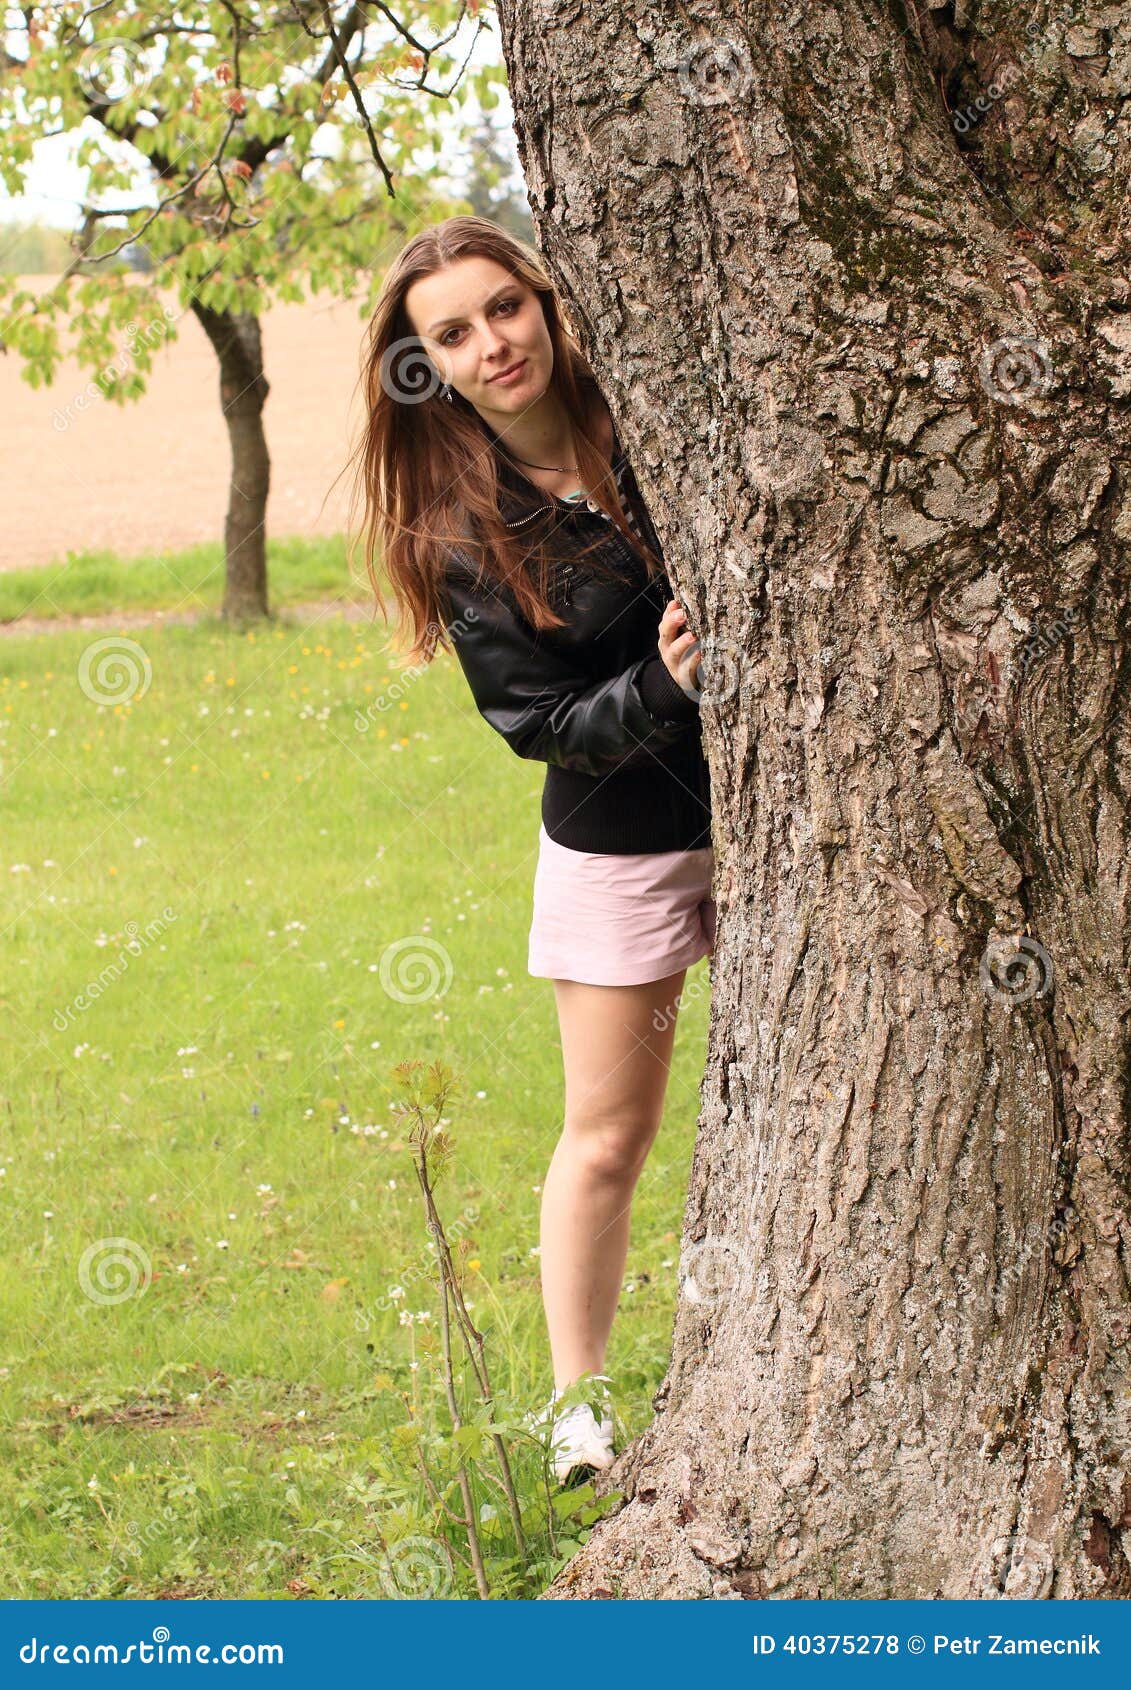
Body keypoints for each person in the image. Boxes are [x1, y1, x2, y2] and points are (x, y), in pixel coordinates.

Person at [348, 214, 714, 1486]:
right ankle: (578, 1411)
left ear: (546, 301)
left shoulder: (663, 417)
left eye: (505, 307)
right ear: (424, 366)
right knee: (608, 1134)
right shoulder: (460, 530)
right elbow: (538, 724)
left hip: (793, 820)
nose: (492, 343)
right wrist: (666, 690)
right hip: (626, 845)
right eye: (451, 333)